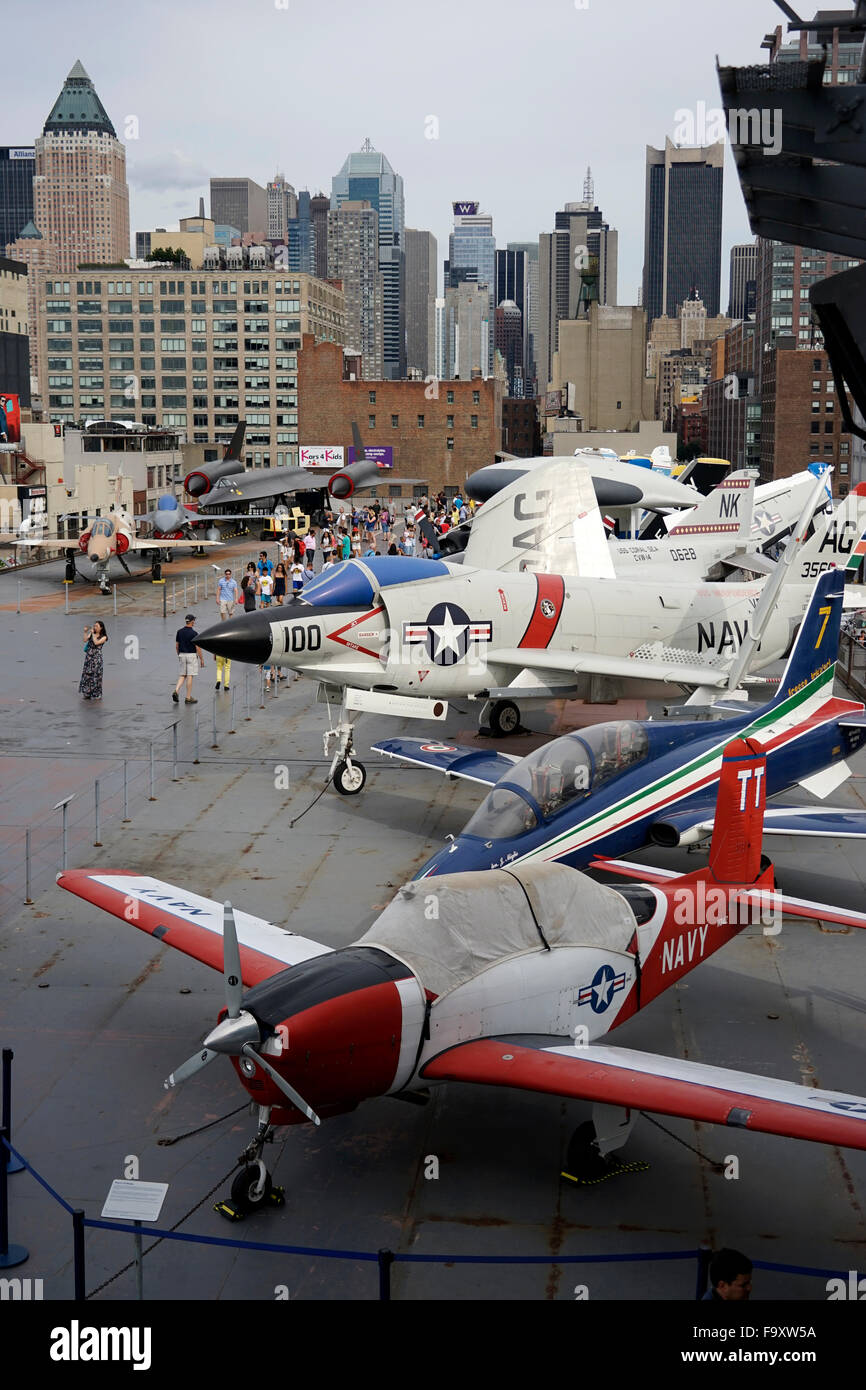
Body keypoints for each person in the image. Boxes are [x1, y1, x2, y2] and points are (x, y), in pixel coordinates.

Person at [173, 614, 203, 704]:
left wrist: (179, 654)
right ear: (192, 621)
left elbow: (177, 646)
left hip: (182, 654)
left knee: (182, 675)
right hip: (191, 656)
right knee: (190, 676)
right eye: (194, 620)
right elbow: (198, 648)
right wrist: (201, 659)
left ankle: (176, 691)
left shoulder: (179, 632)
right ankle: (188, 697)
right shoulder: (194, 633)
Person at [79, 620, 108, 700]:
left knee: (96, 675)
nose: (94, 627)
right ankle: (87, 693)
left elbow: (96, 643)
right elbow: (85, 640)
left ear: (101, 628)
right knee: (87, 674)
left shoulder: (104, 637)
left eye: (96, 626)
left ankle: (96, 694)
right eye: (94, 625)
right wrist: (85, 632)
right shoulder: (92, 634)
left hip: (96, 658)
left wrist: (93, 634)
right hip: (89, 657)